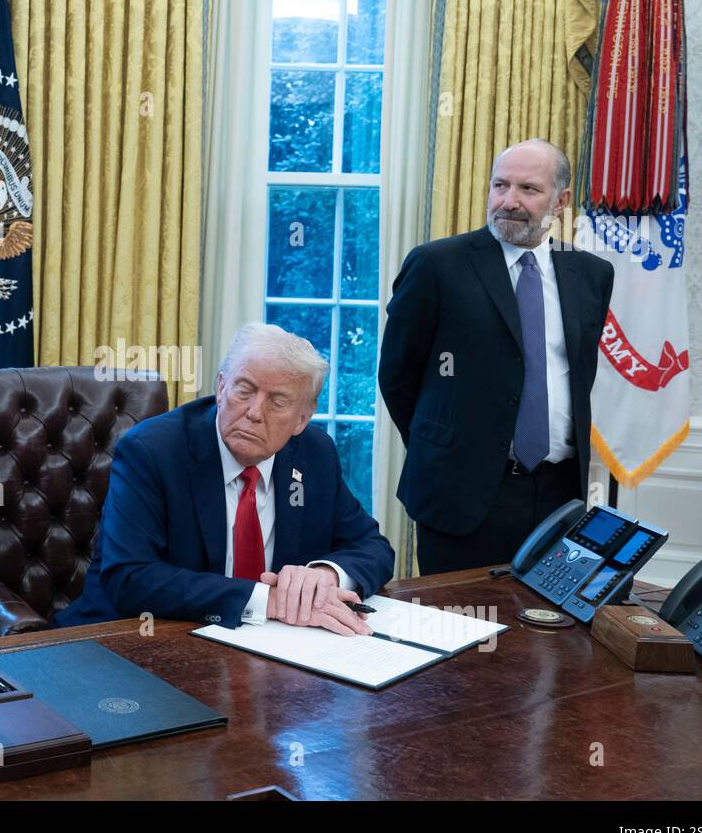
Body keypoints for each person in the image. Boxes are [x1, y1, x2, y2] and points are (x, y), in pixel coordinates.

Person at [56, 323, 394, 633]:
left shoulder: (315, 455)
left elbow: (373, 546)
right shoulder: (152, 451)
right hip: (128, 640)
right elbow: (130, 578)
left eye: (277, 402)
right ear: (221, 388)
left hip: (271, 644)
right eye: (244, 390)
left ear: (301, 420)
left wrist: (325, 575)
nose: (254, 412)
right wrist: (268, 600)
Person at [378, 138, 614, 575]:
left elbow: (577, 375)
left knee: (546, 617)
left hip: (558, 494)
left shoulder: (591, 274)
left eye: (529, 189)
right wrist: (445, 449)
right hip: (461, 495)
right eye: (500, 185)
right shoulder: (437, 265)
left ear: (561, 201)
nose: (508, 201)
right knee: (459, 617)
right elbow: (398, 375)